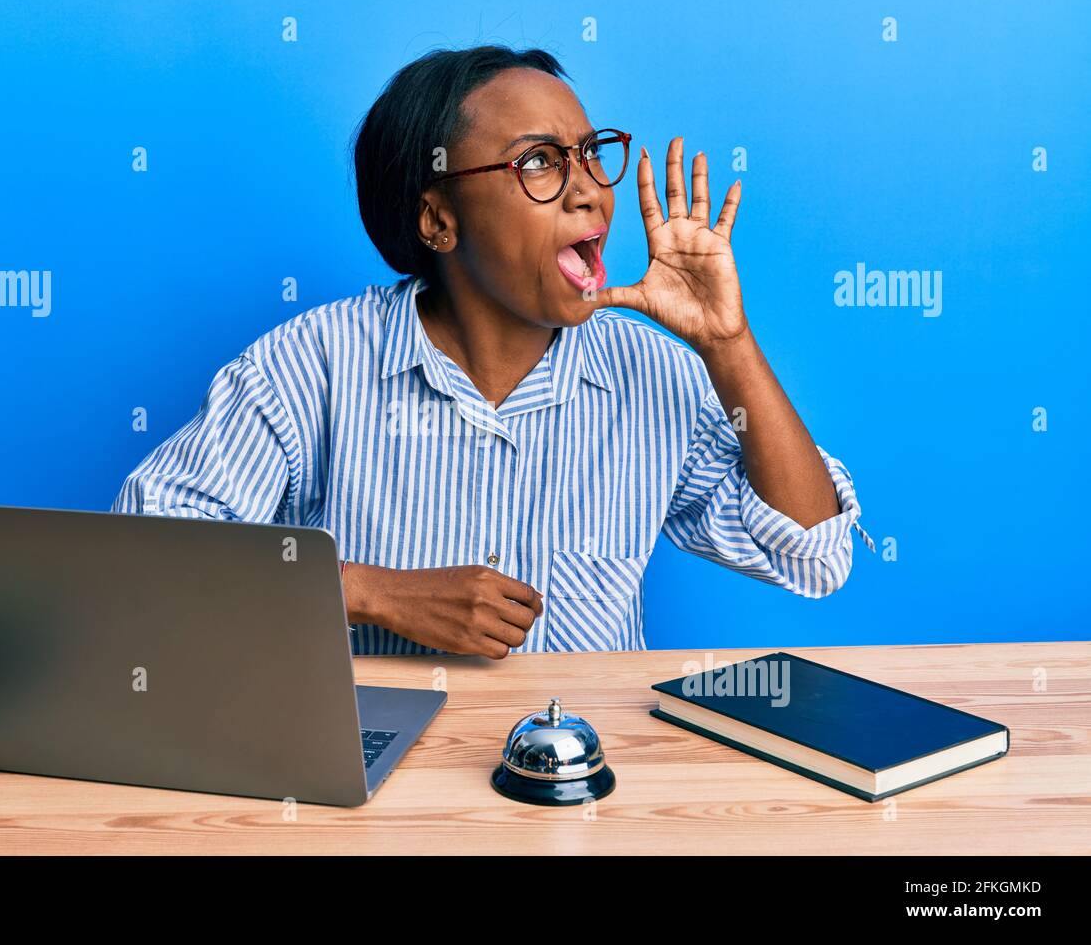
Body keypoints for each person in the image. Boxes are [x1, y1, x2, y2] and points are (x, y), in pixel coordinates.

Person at [112, 45, 871, 657]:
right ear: (438, 219)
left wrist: (726, 345)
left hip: (583, 786)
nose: (590, 193)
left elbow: (813, 556)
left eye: (588, 153)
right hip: (377, 787)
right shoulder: (312, 363)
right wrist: (369, 593)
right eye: (538, 162)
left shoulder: (654, 375)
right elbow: (149, 558)